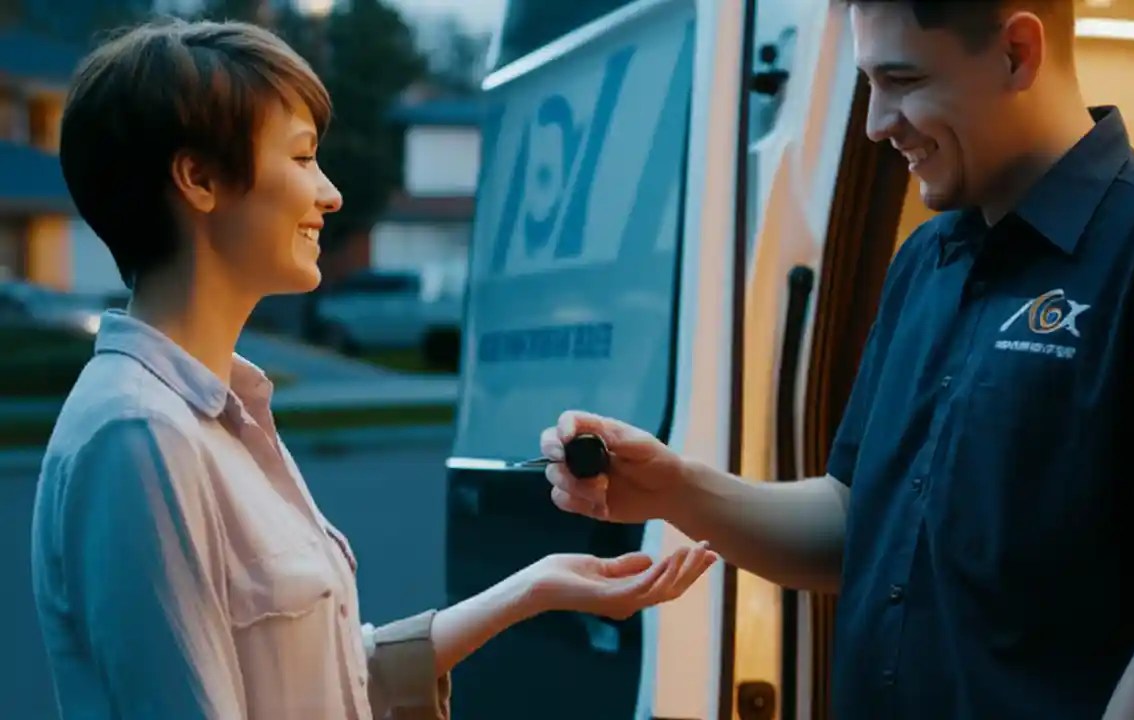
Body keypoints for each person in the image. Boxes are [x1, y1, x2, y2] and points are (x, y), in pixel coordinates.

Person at [541, 1, 1134, 718]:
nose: (874, 123)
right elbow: (860, 523)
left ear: (1017, 53)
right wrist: (677, 488)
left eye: (902, 82)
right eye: (869, 84)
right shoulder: (927, 260)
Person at [29, 18, 716, 720]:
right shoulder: (140, 437)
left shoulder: (223, 410)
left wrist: (533, 589)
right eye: (301, 160)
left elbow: (320, 682)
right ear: (198, 179)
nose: (330, 194)